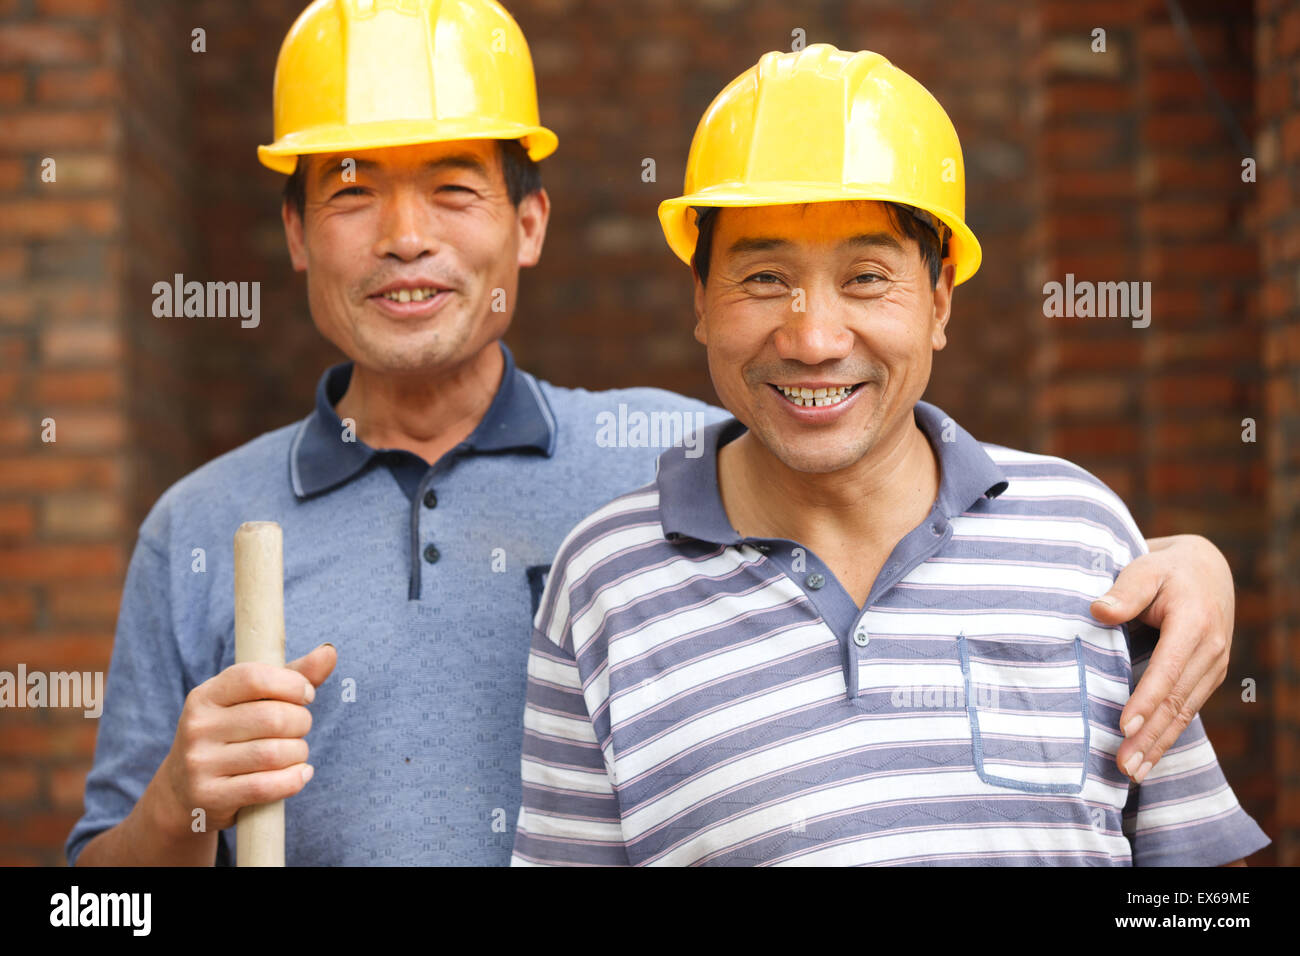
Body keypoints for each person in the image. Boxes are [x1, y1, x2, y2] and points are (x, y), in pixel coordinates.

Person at [69, 3, 1241, 867]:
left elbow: (882, 467)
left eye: (456, 192)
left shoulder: (688, 462)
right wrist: (182, 804)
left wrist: (1188, 566)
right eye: (353, 192)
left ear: (528, 224)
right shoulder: (202, 528)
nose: (404, 237)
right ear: (294, 230)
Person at [510, 45, 1269, 866]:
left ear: (939, 299)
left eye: (867, 276)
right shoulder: (605, 586)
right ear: (701, 300)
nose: (813, 338)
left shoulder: (1086, 541)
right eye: (764, 277)